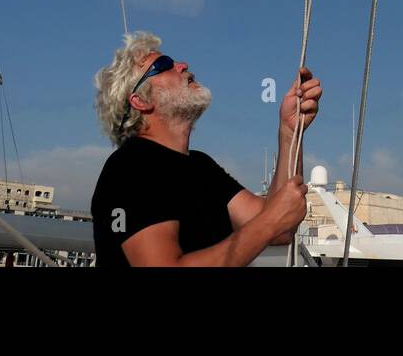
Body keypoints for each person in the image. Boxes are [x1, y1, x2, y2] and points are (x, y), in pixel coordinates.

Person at [90, 31, 322, 266]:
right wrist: (270, 222)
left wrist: (290, 131)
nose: (182, 65)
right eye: (163, 64)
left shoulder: (201, 166)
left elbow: (280, 229)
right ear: (140, 101)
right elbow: (270, 222)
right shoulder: (128, 169)